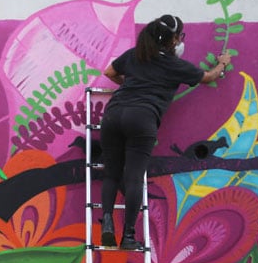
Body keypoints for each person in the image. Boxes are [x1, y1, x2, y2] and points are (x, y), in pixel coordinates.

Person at [99, 14, 231, 249]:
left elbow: (109, 72)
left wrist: (133, 85)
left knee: (112, 173)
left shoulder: (135, 56)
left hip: (113, 114)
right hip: (142, 118)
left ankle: (107, 222)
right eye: (179, 37)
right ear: (173, 41)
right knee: (134, 176)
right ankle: (128, 237)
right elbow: (209, 76)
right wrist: (223, 63)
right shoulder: (175, 65)